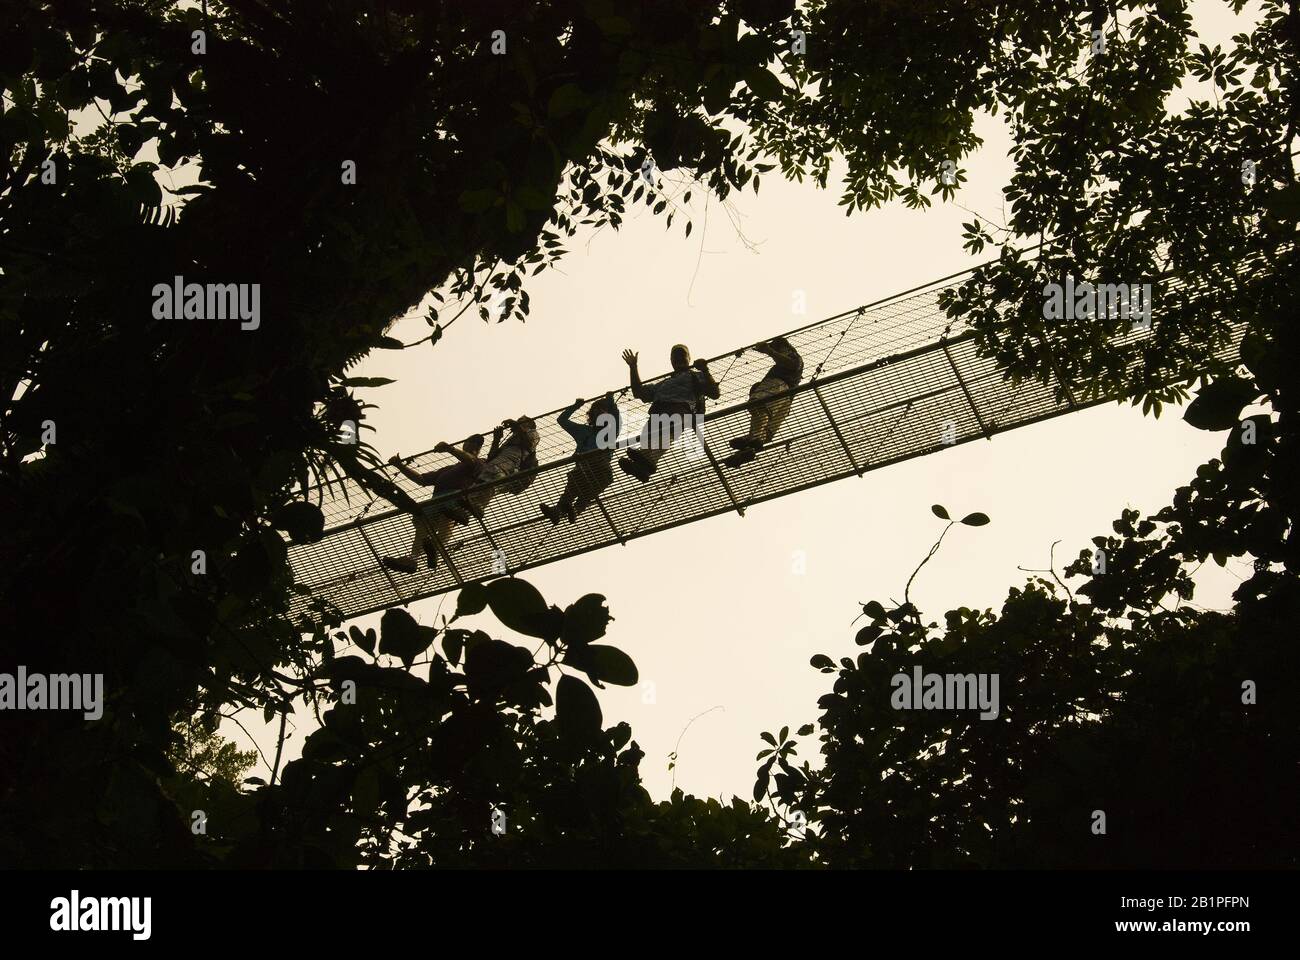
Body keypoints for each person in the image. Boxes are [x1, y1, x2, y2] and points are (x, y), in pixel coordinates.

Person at [380, 434, 485, 574]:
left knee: (446, 522)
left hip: (455, 496)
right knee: (423, 527)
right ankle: (413, 559)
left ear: (476, 449)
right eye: (469, 443)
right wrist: (400, 466)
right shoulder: (448, 469)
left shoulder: (478, 463)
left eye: (474, 445)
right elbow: (421, 479)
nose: (470, 446)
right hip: (436, 499)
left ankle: (435, 550)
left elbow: (470, 460)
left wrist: (450, 449)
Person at [618, 343, 720, 482]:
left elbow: (714, 393)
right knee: (647, 439)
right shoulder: (665, 383)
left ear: (688, 358)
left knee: (664, 435)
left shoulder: (695, 376)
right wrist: (633, 367)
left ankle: (647, 462)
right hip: (657, 412)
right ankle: (643, 468)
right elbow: (639, 392)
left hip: (678, 410)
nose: (678, 359)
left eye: (681, 355)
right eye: (675, 357)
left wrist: (705, 370)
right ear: (671, 361)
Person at [540, 394, 622, 524]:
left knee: (584, 491)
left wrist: (610, 401)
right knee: (572, 489)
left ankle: (573, 511)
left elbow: (615, 415)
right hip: (584, 467)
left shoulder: (611, 430)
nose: (600, 414)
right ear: (592, 416)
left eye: (603, 411)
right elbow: (562, 420)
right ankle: (558, 512)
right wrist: (575, 406)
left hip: (600, 468)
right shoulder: (583, 431)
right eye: (597, 411)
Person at [725, 336, 804, 467]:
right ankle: (749, 448)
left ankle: (752, 438)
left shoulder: (792, 355)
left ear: (783, 347)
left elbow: (792, 364)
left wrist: (769, 350)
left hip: (777, 386)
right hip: (787, 399)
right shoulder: (793, 371)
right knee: (766, 431)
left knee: (758, 406)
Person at [445, 415, 540, 522]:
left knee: (491, 486)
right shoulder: (511, 439)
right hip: (495, 465)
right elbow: (491, 457)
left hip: (508, 468)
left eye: (521, 421)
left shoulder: (533, 433)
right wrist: (496, 439)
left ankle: (478, 509)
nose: (518, 423)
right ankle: (464, 513)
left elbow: (528, 442)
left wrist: (514, 424)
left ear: (529, 424)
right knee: (477, 487)